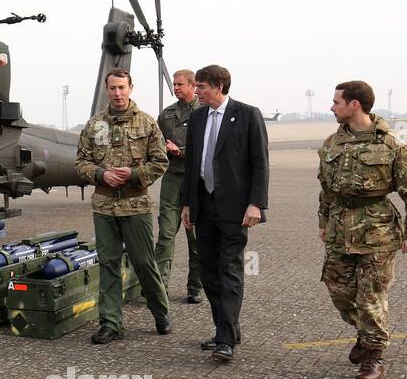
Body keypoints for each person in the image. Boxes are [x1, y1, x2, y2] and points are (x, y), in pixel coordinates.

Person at [318, 81, 407, 379]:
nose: (332, 107)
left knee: (371, 296)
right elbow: (326, 190)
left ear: (354, 104)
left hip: (377, 231)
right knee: (339, 290)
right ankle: (367, 335)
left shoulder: (391, 145)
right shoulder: (332, 143)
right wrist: (323, 221)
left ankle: (373, 356)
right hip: (339, 228)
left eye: (336, 102)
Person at [75, 68, 173, 343]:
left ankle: (160, 311)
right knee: (108, 264)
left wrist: (132, 174)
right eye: (113, 88)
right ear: (107, 90)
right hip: (104, 206)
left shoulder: (147, 123)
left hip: (136, 204)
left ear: (131, 88)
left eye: (122, 87)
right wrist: (99, 174)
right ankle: (110, 322)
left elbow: (160, 162)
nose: (117, 93)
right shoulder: (94, 125)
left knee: (144, 263)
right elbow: (81, 161)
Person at [180, 65, 269, 362]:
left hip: (235, 208)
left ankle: (226, 340)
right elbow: (192, 166)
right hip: (204, 207)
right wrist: (187, 203)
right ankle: (226, 328)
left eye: (201, 86)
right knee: (208, 272)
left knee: (229, 269)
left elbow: (260, 163)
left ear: (218, 87)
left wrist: (256, 203)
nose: (197, 91)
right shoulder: (196, 118)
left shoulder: (247, 115)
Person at [154, 69, 203, 303]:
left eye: (180, 84)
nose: (176, 88)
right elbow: (154, 145)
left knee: (195, 238)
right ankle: (159, 286)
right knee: (165, 235)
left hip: (195, 180)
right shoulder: (166, 115)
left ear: (193, 85)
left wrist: (179, 151)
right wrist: (165, 150)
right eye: (174, 85)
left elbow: (207, 149)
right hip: (172, 179)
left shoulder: (204, 112)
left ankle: (195, 287)